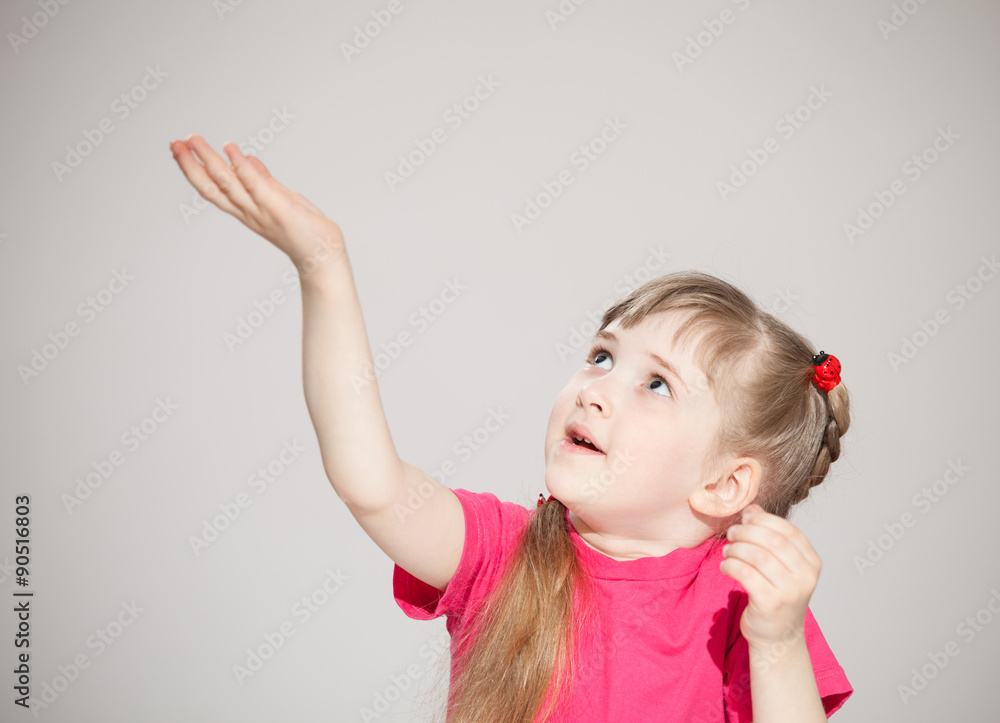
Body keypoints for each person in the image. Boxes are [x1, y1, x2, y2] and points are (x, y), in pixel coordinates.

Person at [170, 135, 854, 722]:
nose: (596, 391)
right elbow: (370, 482)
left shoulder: (744, 609)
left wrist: (777, 639)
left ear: (725, 480)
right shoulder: (502, 553)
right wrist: (323, 265)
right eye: (601, 356)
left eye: (654, 383)